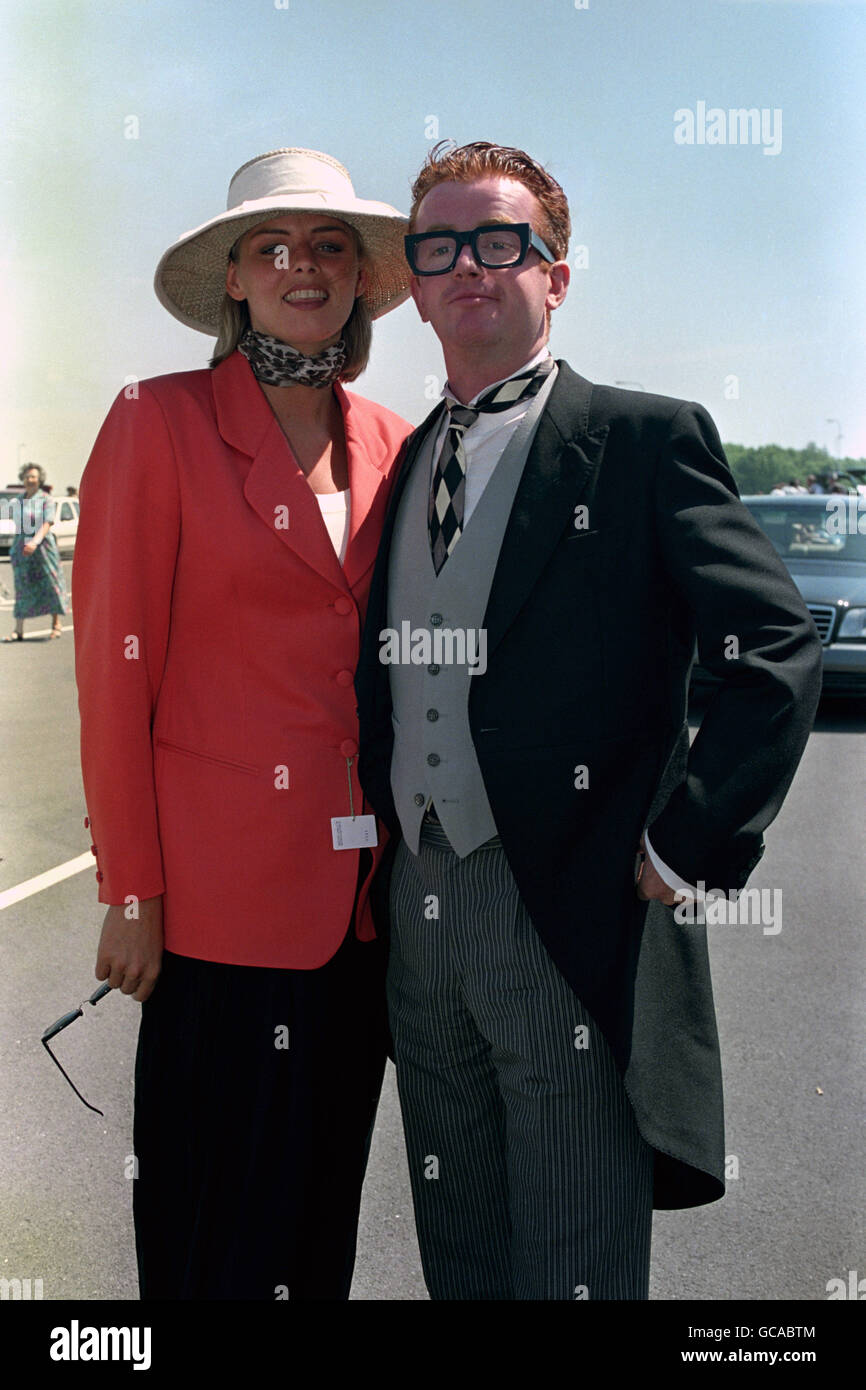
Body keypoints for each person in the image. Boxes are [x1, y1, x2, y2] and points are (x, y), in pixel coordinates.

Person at [355, 141, 823, 1300]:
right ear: (413, 286)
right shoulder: (407, 459)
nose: (469, 265)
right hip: (416, 909)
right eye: (440, 247)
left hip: (564, 906)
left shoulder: (642, 441)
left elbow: (773, 646)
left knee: (572, 1254)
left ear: (553, 276)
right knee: (455, 1236)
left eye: (501, 241)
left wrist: (688, 839)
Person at [74, 147, 412, 1300]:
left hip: (358, 921)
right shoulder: (156, 423)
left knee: (314, 1227)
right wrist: (133, 890)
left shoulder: (396, 442)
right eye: (271, 248)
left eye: (327, 246)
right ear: (232, 278)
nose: (300, 267)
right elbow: (115, 678)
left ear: (360, 280)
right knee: (207, 1222)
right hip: (214, 917)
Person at [2, 463, 67, 641]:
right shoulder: (18, 501)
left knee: (51, 583)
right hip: (22, 549)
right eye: (27, 477)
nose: (30, 480)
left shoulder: (46, 499)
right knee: (22, 587)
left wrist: (35, 542)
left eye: (33, 477)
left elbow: (47, 523)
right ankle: (18, 629)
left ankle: (56, 624)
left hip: (42, 547)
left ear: (39, 480)